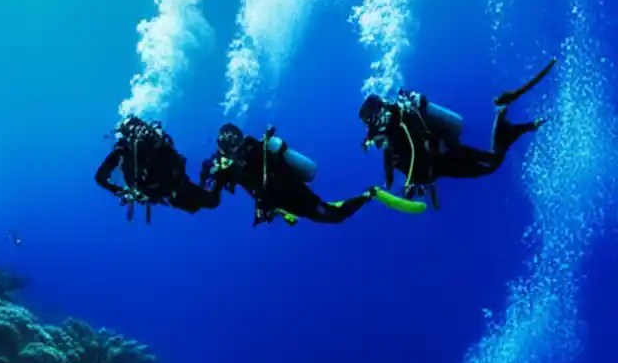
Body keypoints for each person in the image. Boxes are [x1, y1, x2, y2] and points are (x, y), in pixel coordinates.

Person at [358, 58, 554, 208]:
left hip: (444, 152)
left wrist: (409, 185)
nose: (376, 141)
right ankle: (512, 121)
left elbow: (416, 148)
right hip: (439, 164)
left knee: (492, 163)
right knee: (491, 165)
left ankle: (503, 113)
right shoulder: (389, 144)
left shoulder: (400, 126)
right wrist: (393, 188)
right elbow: (395, 173)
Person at [203, 123, 391, 226]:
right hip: (279, 201)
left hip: (294, 195)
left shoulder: (259, 149)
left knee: (334, 216)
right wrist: (209, 177)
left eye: (240, 148)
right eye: (233, 152)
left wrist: (264, 205)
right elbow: (210, 191)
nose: (239, 155)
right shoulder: (223, 166)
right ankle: (283, 212)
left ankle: (370, 194)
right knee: (327, 214)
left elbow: (274, 181)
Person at [94, 115, 222, 223]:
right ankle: (212, 173)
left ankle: (211, 173)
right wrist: (121, 190)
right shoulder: (124, 151)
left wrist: (120, 190)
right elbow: (100, 177)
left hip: (170, 187)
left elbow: (100, 177)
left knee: (207, 203)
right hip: (169, 188)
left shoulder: (128, 149)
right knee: (206, 203)